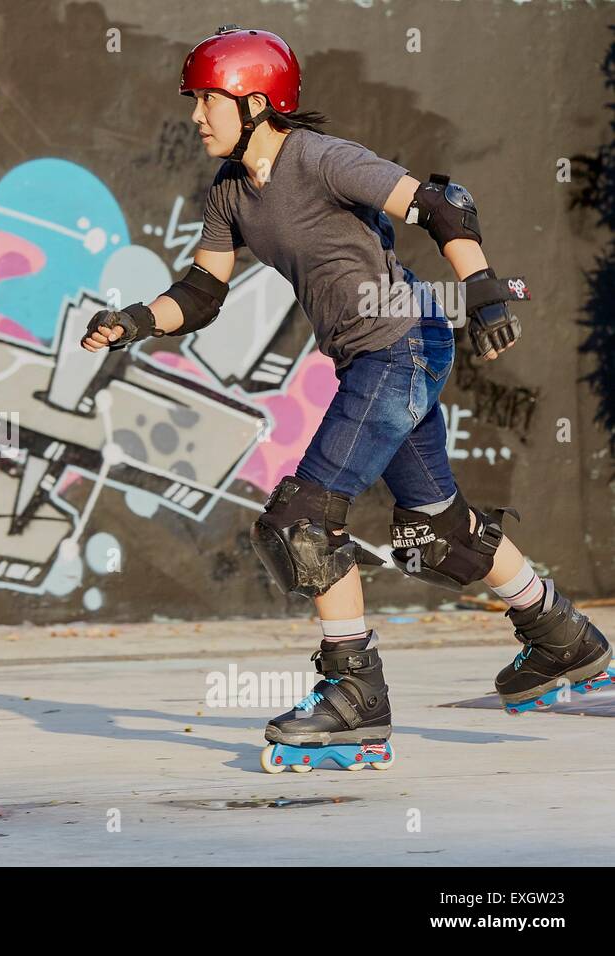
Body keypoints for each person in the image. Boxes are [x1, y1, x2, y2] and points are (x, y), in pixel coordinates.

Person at [80, 24, 611, 772]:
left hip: (401, 347)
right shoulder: (230, 193)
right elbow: (201, 293)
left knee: (303, 519)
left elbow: (440, 208)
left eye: (207, 101)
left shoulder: (324, 161)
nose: (196, 116)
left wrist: (483, 293)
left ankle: (354, 696)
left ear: (256, 101)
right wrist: (132, 321)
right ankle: (563, 638)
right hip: (372, 359)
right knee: (438, 532)